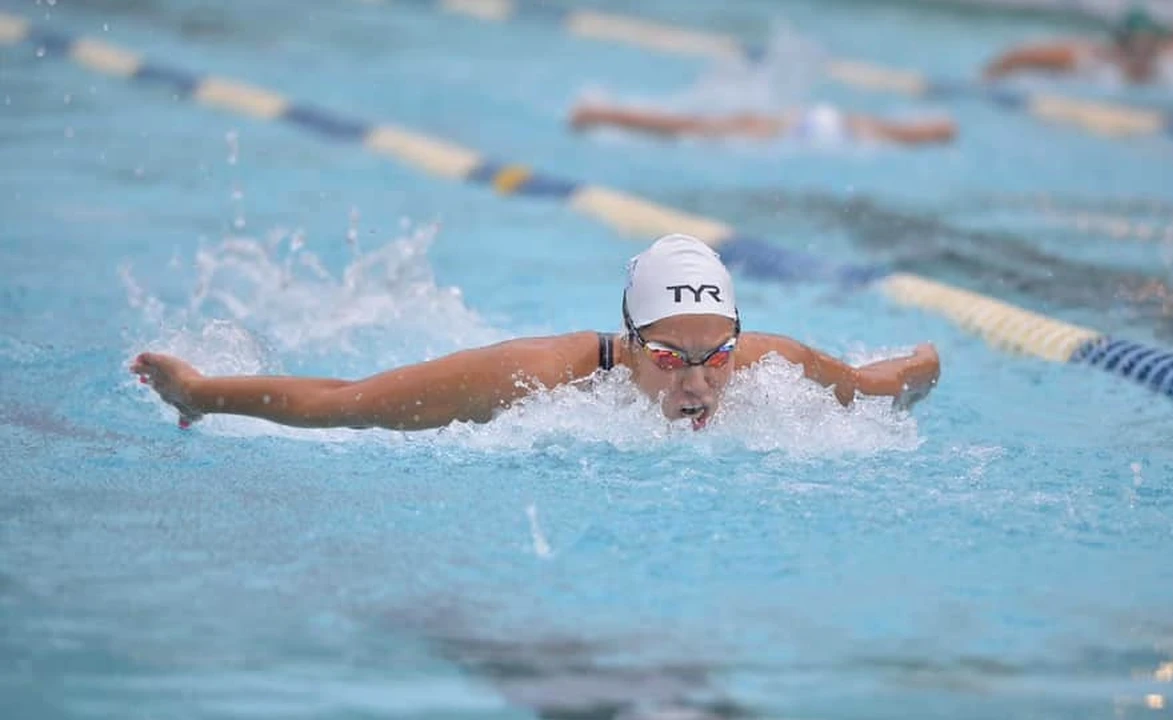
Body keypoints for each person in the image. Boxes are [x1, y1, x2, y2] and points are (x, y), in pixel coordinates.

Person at [132, 234, 941, 432]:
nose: (697, 384)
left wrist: (924, 365)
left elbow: (876, 389)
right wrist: (200, 390)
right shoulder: (535, 381)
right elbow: (340, 404)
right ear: (629, 345)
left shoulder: (773, 366)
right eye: (668, 358)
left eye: (717, 356)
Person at [982, 6, 1173, 86]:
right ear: (1120, 47)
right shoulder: (1090, 59)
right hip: (1057, 81)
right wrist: (986, 79)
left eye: (1150, 47)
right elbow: (1020, 56)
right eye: (1137, 47)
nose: (1143, 56)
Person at [569, 101, 957, 146]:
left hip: (799, 123)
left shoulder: (877, 131)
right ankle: (602, 112)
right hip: (790, 126)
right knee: (685, 126)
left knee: (685, 125)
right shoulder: (879, 132)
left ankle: (602, 112)